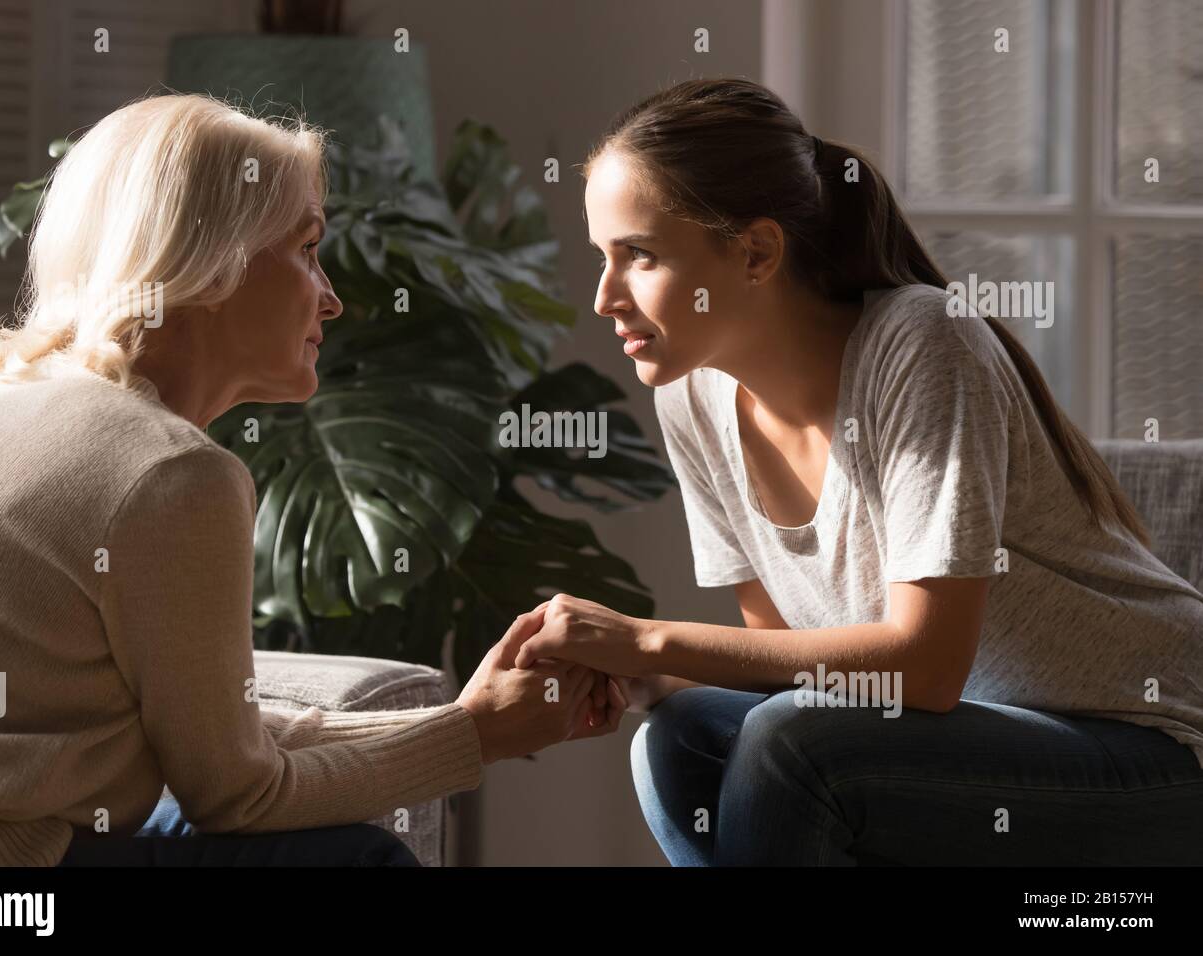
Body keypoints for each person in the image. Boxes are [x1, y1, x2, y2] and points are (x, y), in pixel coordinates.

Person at [0, 93, 625, 868]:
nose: (332, 296)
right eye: (309, 248)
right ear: (213, 258)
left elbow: (223, 742)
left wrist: (467, 717)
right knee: (354, 862)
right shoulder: (169, 473)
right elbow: (239, 796)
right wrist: (478, 736)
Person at [509, 77, 1203, 865]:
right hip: (962, 747)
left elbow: (928, 666)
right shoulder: (694, 395)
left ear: (757, 251)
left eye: (638, 256)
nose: (605, 297)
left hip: (1153, 752)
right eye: (604, 257)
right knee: (681, 736)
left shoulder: (922, 342)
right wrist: (636, 675)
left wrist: (649, 638)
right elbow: (786, 653)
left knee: (789, 741)